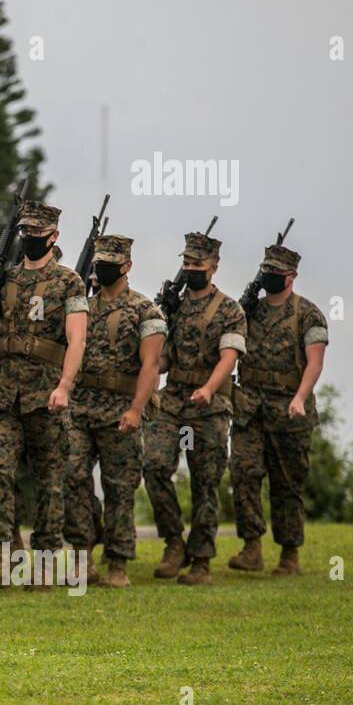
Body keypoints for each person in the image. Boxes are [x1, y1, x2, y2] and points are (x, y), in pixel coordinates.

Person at [0, 201, 87, 587]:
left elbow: (77, 338)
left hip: (46, 391)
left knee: (49, 479)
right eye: (25, 233)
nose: (30, 239)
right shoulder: (5, 280)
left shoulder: (70, 282)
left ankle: (46, 562)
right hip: (5, 394)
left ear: (53, 237)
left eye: (37, 233)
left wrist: (65, 385)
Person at [143, 232, 246, 585]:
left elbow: (229, 357)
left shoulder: (230, 311)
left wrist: (208, 388)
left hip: (210, 405)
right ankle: (174, 543)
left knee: (205, 482)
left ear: (213, 268)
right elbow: (161, 359)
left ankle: (201, 558)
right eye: (186, 263)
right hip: (172, 401)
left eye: (197, 265)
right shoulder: (172, 306)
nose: (190, 270)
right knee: (155, 465)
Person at [62, 235, 165, 588]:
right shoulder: (80, 308)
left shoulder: (145, 310)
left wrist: (137, 409)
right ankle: (81, 554)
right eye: (99, 261)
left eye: (110, 262)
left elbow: (150, 366)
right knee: (72, 477)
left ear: (127, 267)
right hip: (79, 409)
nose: (102, 267)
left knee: (119, 487)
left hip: (121, 409)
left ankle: (118, 563)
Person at [228, 243, 327, 576]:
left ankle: (289, 554)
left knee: (287, 483)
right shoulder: (248, 311)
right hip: (250, 407)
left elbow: (315, 362)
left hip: (288, 410)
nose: (270, 277)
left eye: (277, 273)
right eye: (266, 271)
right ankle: (251, 547)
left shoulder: (308, 314)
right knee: (243, 472)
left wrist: (300, 396)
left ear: (291, 277)